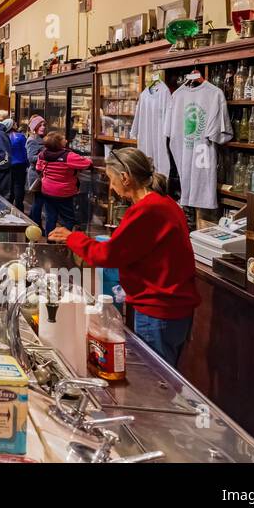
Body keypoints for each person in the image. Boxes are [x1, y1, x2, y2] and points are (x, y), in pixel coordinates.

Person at [49, 147, 200, 366]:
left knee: (155, 382)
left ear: (125, 178)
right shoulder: (166, 204)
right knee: (165, 378)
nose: (110, 187)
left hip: (157, 309)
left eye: (111, 180)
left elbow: (108, 255)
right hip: (174, 309)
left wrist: (73, 238)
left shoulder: (146, 210)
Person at [35, 130, 92, 233]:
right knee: (68, 219)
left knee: (50, 217)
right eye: (62, 138)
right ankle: (64, 240)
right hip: (64, 192)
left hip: (47, 190)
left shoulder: (42, 154)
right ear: (59, 143)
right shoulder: (68, 156)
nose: (65, 139)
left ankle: (50, 240)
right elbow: (87, 163)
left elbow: (38, 168)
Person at [25, 115, 47, 222]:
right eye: (40, 125)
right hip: (36, 175)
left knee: (39, 201)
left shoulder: (43, 139)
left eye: (44, 125)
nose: (43, 127)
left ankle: (34, 222)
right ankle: (36, 224)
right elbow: (31, 158)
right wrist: (45, 156)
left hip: (42, 174)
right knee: (38, 201)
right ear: (34, 127)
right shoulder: (32, 140)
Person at [4, 118, 28, 209]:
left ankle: (8, 207)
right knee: (19, 186)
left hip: (8, 165)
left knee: (9, 188)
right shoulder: (21, 136)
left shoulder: (4, 137)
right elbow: (25, 151)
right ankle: (19, 207)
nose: (16, 124)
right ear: (12, 125)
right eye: (14, 123)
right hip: (20, 165)